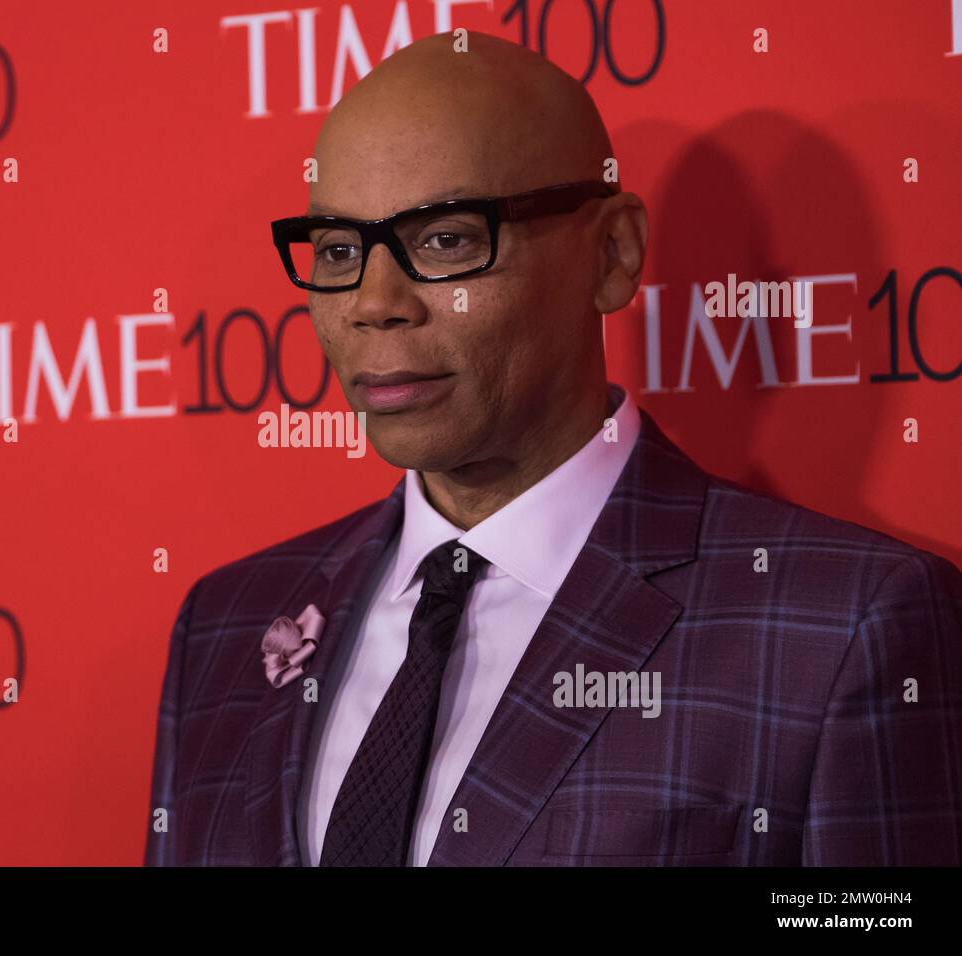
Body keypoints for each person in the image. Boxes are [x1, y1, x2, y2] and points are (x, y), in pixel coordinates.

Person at [145, 31, 962, 866]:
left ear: (611, 254)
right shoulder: (228, 622)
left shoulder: (840, 626)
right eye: (339, 251)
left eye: (446, 239)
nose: (374, 302)